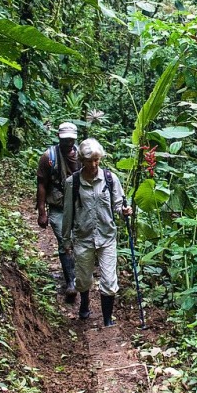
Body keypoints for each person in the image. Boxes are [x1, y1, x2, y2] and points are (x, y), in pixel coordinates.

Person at [61, 138, 133, 326]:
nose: (93, 164)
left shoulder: (110, 179)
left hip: (107, 236)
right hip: (83, 237)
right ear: (81, 161)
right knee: (83, 279)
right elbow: (68, 212)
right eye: (89, 160)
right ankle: (84, 304)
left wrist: (124, 211)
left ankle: (108, 320)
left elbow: (118, 204)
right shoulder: (72, 182)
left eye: (97, 160)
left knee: (109, 281)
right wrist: (65, 241)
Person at [36, 122, 82, 303]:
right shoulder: (49, 157)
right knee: (65, 241)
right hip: (57, 207)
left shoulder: (82, 155)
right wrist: (41, 212)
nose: (68, 142)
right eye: (65, 139)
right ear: (59, 137)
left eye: (71, 139)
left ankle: (79, 276)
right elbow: (41, 184)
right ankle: (71, 282)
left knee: (78, 240)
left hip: (79, 206)